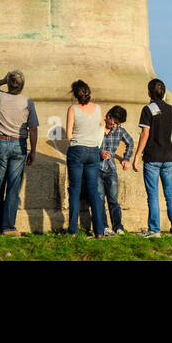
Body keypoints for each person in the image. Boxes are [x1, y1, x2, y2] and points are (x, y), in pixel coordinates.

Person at [0, 70, 38, 235]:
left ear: (9, 84)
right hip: (19, 144)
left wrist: (2, 79)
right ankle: (8, 226)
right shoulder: (27, 101)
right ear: (23, 85)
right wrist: (33, 151)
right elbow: (33, 128)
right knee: (14, 186)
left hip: (1, 142)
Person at [133, 78, 172, 239]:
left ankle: (154, 229)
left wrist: (137, 156)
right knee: (170, 194)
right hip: (168, 157)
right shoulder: (171, 110)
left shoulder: (147, 110)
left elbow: (145, 134)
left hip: (152, 157)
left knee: (153, 194)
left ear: (149, 92)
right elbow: (170, 131)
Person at [65, 80, 107, 237]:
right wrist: (95, 143)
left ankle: (73, 230)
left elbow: (69, 134)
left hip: (77, 149)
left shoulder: (73, 109)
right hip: (93, 151)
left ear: (75, 94)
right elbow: (102, 128)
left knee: (75, 190)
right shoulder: (98, 108)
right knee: (93, 191)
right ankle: (99, 231)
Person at [98, 105, 133, 235]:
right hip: (97, 167)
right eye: (114, 122)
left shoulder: (119, 130)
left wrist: (126, 158)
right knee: (100, 199)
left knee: (113, 200)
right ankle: (104, 227)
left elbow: (130, 142)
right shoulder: (98, 128)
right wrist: (100, 153)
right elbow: (89, 145)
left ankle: (118, 227)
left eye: (117, 124)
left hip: (111, 169)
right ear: (108, 116)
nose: (114, 126)